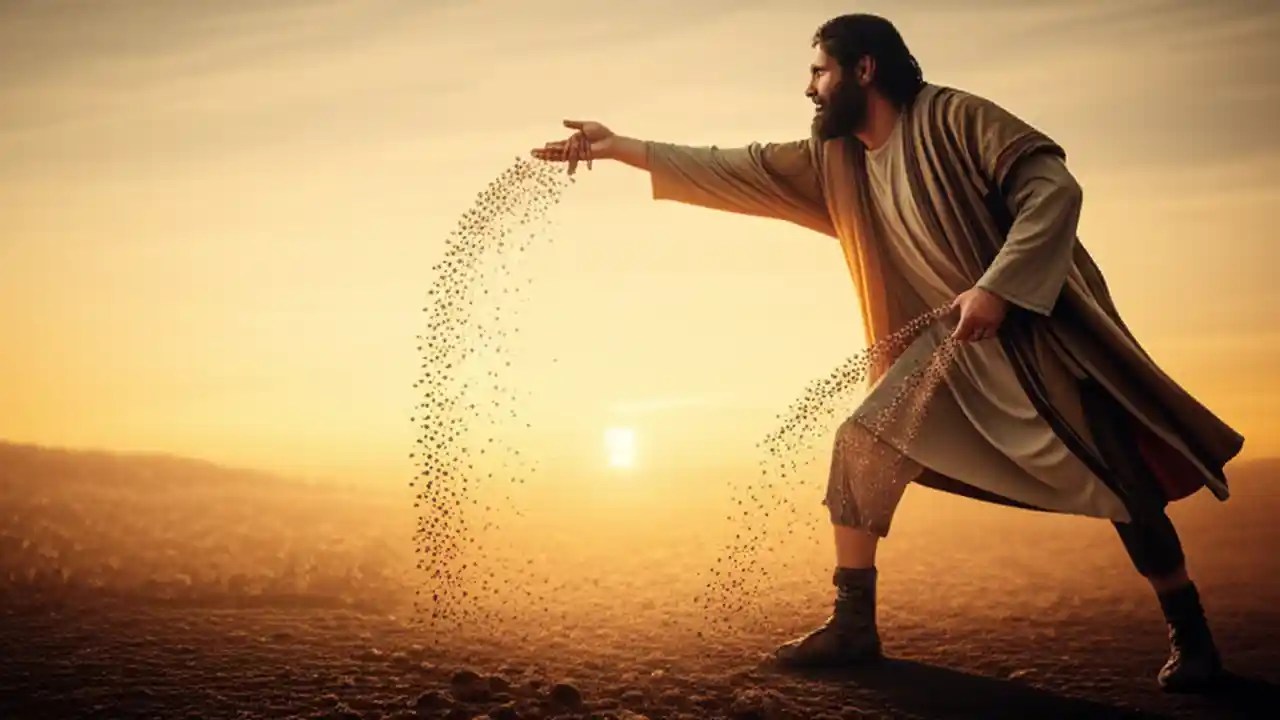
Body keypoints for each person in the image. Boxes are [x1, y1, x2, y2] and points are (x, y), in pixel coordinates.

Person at [531, 13, 1243, 693]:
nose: (808, 88)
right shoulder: (836, 161)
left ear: (863, 69)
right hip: (943, 350)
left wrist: (997, 289)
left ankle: (1193, 639)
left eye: (818, 71)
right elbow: (734, 166)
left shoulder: (958, 117)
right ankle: (853, 625)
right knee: (863, 441)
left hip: (1031, 338)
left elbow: (1052, 189)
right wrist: (618, 146)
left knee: (1122, 484)